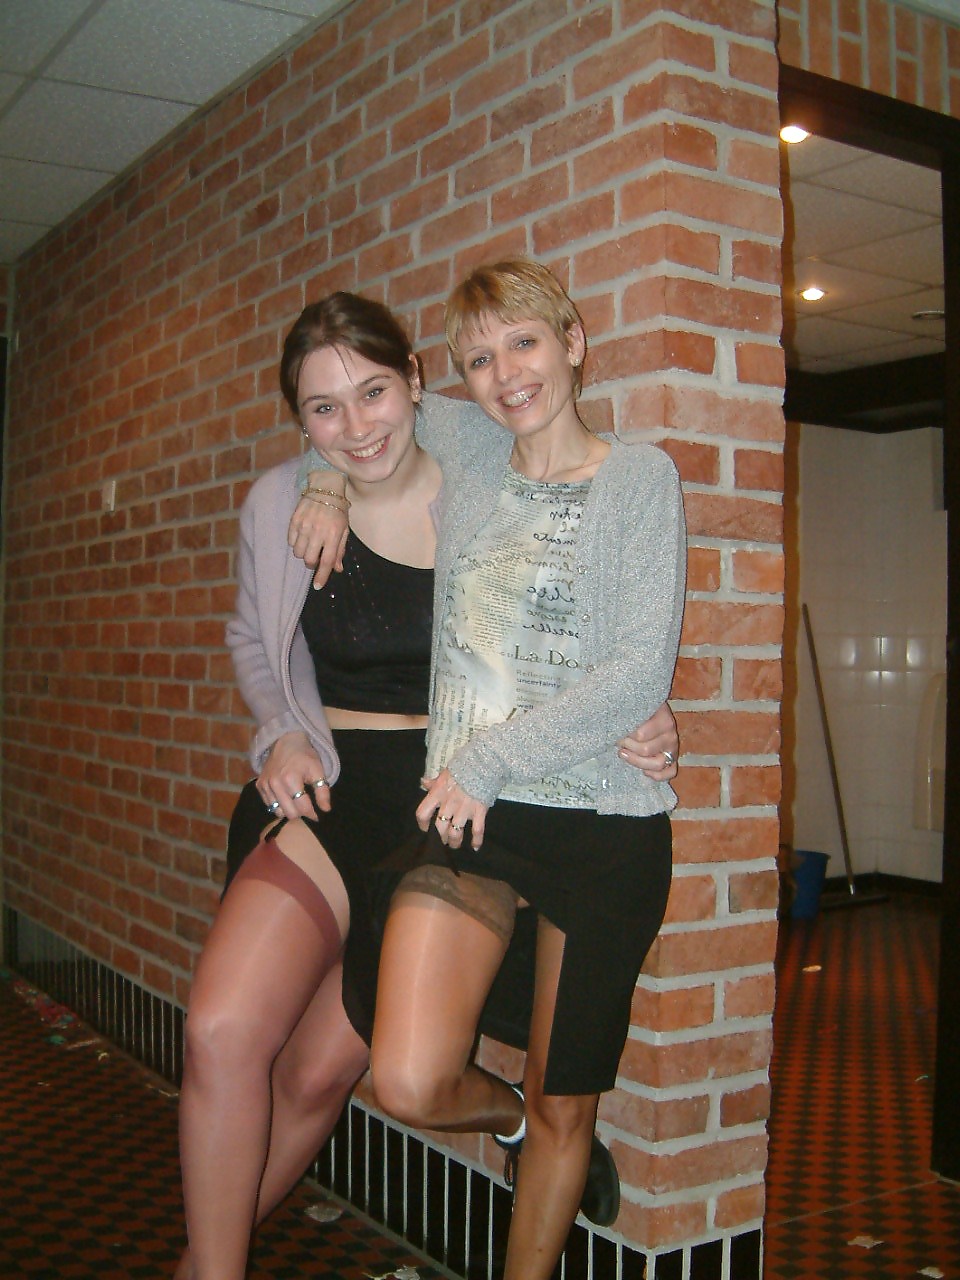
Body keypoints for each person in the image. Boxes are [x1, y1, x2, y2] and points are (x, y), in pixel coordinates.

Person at [175, 290, 679, 1280]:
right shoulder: (280, 500)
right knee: (221, 1029)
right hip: (330, 789)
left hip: (448, 806)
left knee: (321, 1073)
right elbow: (253, 634)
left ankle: (508, 1121)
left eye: (373, 391)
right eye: (322, 409)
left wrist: (643, 710)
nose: (355, 423)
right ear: (299, 420)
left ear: (414, 382)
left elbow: (570, 605)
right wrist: (280, 727)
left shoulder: (481, 465)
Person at [362, 260, 687, 1280]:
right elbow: (348, 414)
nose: (504, 375)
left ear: (572, 342)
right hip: (476, 818)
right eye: (478, 359)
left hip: (602, 823)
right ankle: (503, 1121)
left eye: (524, 342)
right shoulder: (467, 444)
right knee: (407, 1077)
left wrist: (492, 755)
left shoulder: (641, 478)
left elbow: (639, 669)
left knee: (565, 1100)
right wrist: (327, 486)